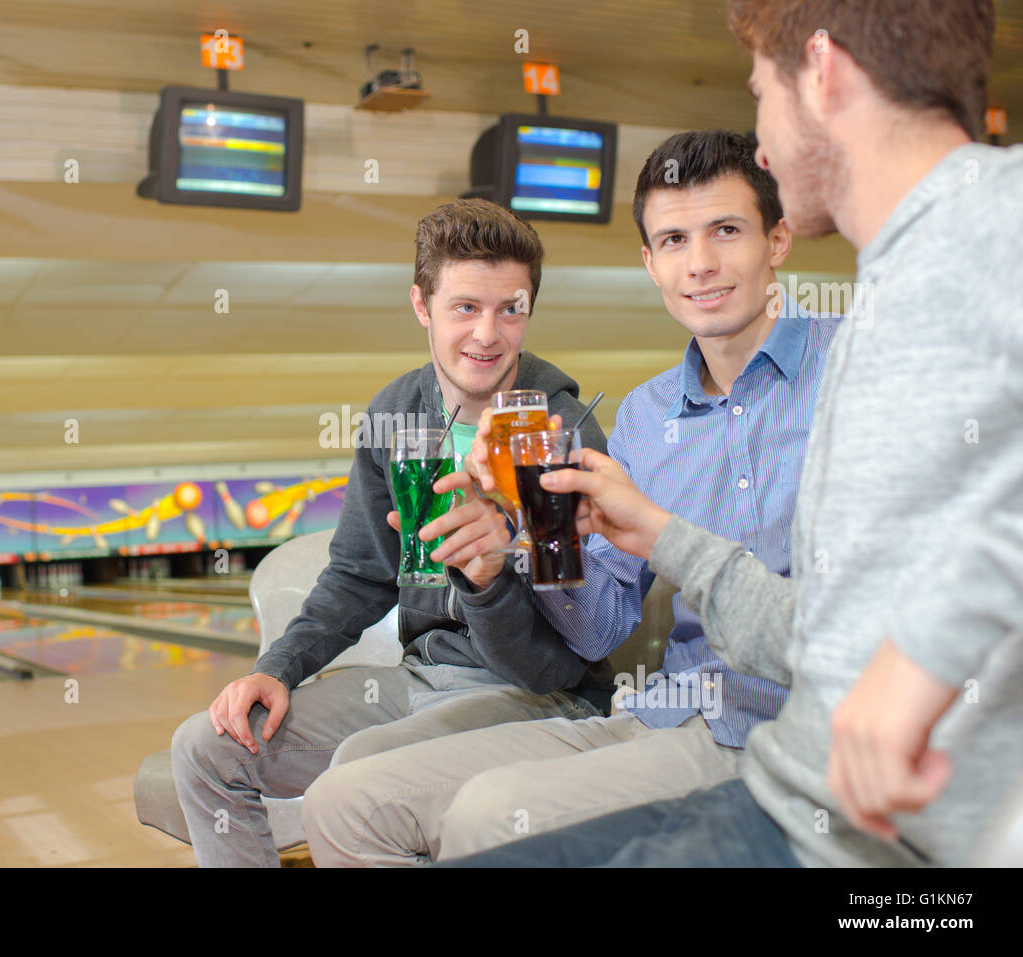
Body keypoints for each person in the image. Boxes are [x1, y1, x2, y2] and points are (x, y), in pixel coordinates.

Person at [444, 0, 1022, 868]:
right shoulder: (892, 288)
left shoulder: (986, 227)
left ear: (821, 72)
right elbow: (827, 631)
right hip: (801, 795)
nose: (763, 141)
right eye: (672, 240)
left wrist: (920, 650)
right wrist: (646, 535)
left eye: (760, 93)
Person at [301, 130, 839, 866]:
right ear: (650, 262)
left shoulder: (854, 368)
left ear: (777, 240)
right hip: (662, 711)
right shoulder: (647, 419)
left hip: (789, 729)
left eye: (726, 230)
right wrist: (528, 539)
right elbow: (597, 629)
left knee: (491, 816)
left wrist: (646, 530)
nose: (701, 262)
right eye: (674, 238)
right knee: (346, 802)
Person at [170, 197, 612, 867]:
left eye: (510, 308)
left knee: (360, 769)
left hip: (536, 696)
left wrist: (489, 572)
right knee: (204, 747)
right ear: (421, 305)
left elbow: (563, 658)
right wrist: (277, 667)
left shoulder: (558, 433)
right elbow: (357, 575)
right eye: (465, 307)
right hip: (419, 677)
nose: (488, 333)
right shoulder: (393, 416)